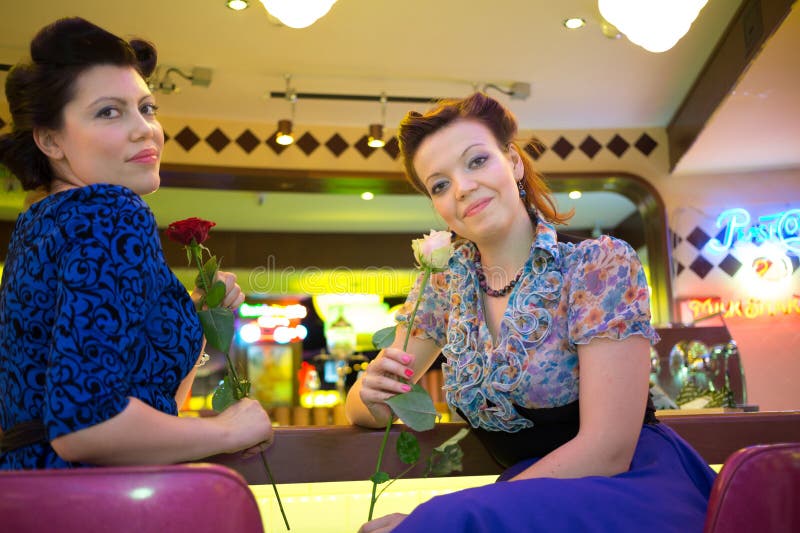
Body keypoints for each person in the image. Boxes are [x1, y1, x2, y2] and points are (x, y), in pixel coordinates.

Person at [345, 92, 715, 532]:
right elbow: (366, 407)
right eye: (439, 185)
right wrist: (370, 394)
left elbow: (609, 449)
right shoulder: (444, 285)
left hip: (628, 489)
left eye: (477, 161)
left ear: (514, 162)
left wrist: (455, 513)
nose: (462, 188)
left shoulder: (597, 265)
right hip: (525, 502)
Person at [0, 17, 273, 469]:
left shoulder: (41, 221)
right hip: (88, 497)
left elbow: (147, 403)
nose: (144, 129)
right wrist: (229, 430)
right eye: (108, 112)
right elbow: (87, 425)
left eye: (147, 108)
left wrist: (191, 317)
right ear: (50, 139)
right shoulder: (111, 210)